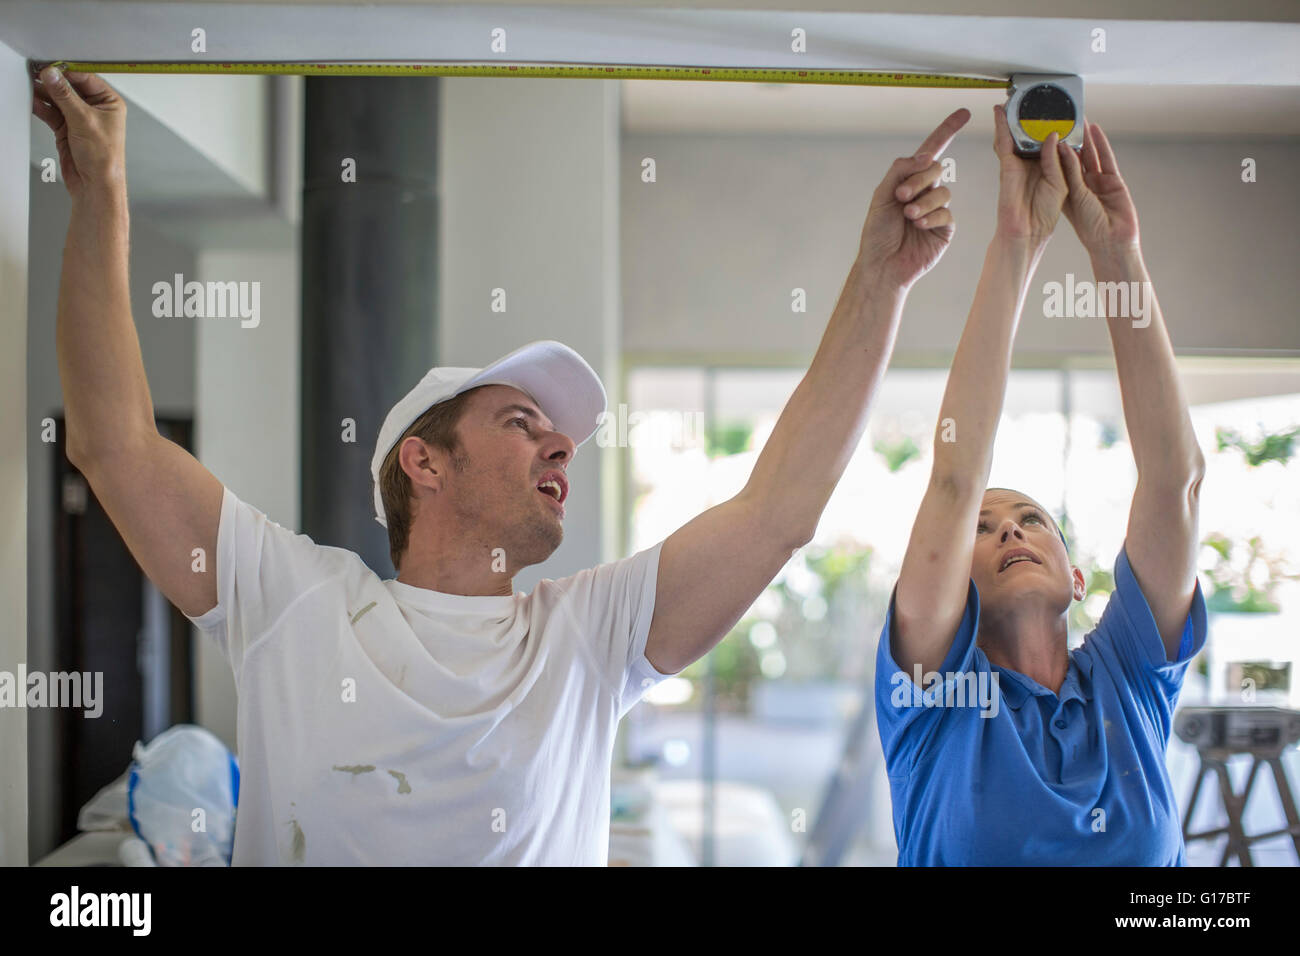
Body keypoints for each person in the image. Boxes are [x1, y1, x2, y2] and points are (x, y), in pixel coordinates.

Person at [34, 62, 970, 864]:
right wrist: (102, 190)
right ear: (424, 465)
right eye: (522, 421)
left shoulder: (589, 639)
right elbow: (113, 447)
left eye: (558, 434)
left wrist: (880, 282)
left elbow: (778, 510)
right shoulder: (294, 604)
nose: (561, 444)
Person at [875, 106, 1207, 865]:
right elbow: (957, 481)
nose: (1009, 531)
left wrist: (1118, 253)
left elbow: (1175, 482)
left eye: (1031, 520)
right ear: (947, 590)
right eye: (987, 529)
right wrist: (1018, 243)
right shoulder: (933, 700)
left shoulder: (1129, 680)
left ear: (1080, 578)